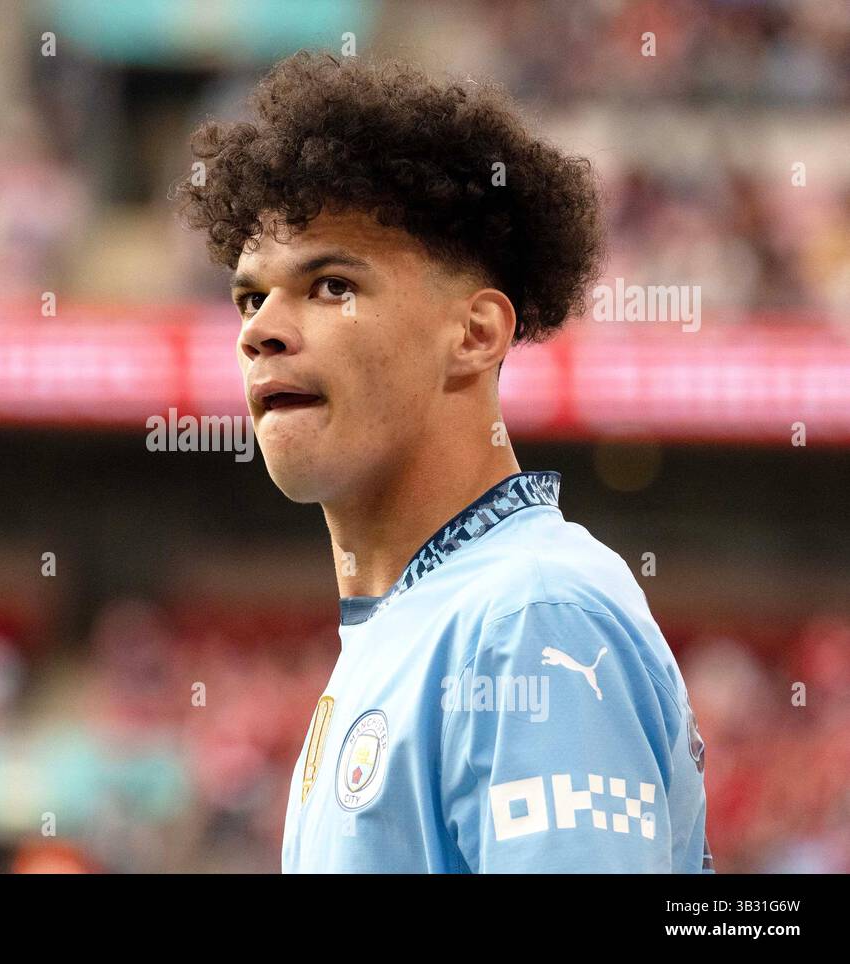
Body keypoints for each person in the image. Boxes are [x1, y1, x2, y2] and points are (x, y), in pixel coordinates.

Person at [175, 51, 710, 872]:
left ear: (475, 335)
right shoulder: (420, 625)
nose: (260, 330)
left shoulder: (528, 617)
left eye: (329, 285)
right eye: (252, 296)